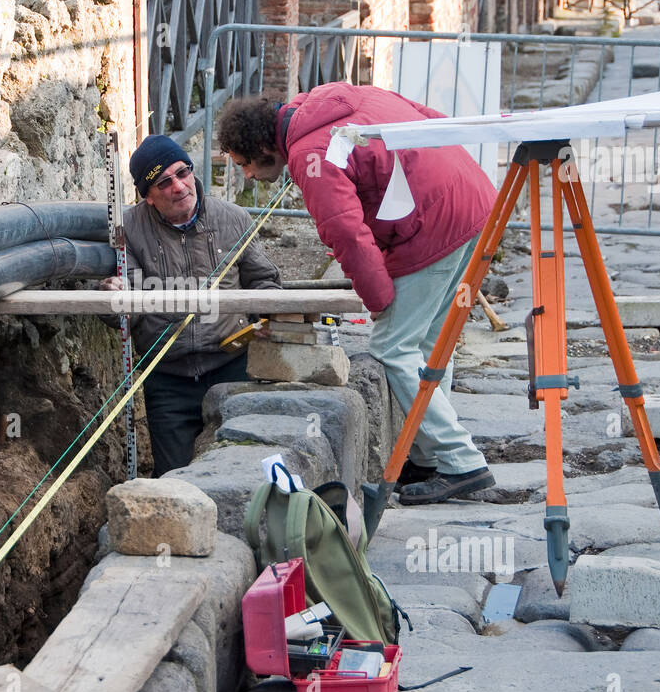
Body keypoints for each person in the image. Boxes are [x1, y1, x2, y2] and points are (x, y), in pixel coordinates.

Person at [217, 83, 496, 504]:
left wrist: (379, 298)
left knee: (394, 346)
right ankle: (425, 456)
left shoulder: (309, 156)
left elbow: (345, 231)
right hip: (472, 198)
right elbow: (426, 112)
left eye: (245, 165)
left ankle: (460, 462)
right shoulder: (331, 98)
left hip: (433, 224)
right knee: (431, 344)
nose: (248, 175)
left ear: (261, 146)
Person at [100, 134, 281, 476]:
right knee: (175, 480)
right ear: (148, 197)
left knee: (241, 468)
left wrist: (266, 323)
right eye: (164, 182)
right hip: (167, 377)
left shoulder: (233, 218)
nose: (179, 186)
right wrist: (115, 297)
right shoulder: (129, 230)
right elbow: (127, 308)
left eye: (182, 173)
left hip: (232, 366)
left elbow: (265, 280)